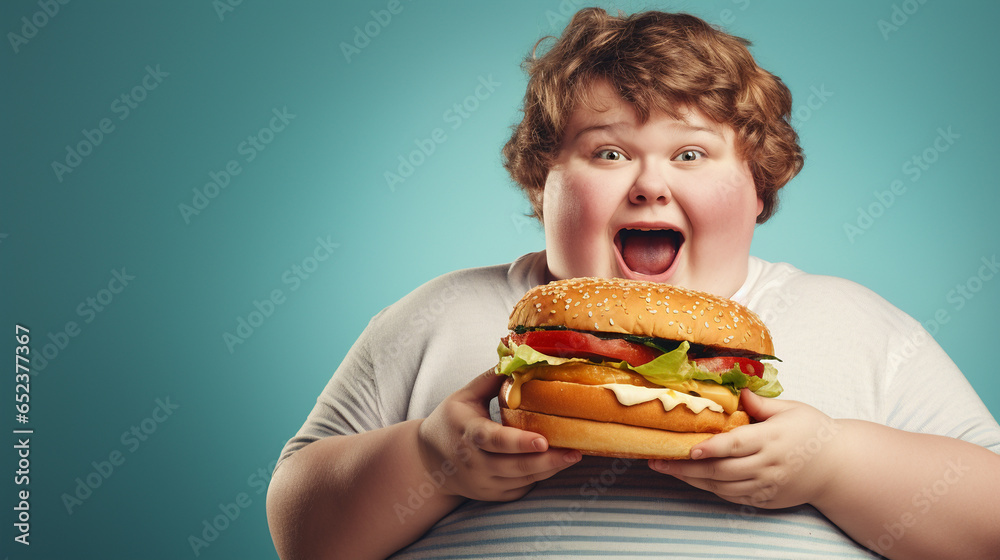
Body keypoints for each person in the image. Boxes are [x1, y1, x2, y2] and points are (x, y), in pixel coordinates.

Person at [266, 8, 1000, 559]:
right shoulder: (441, 314)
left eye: (690, 153)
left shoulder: (858, 325)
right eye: (609, 152)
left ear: (758, 190)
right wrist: (430, 462)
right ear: (541, 183)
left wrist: (836, 464)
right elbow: (303, 534)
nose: (650, 184)